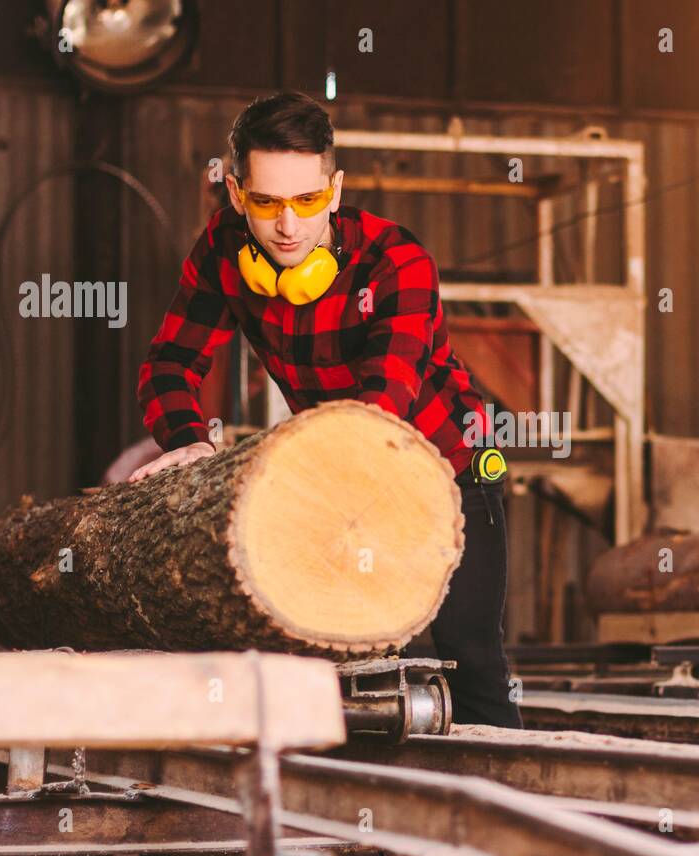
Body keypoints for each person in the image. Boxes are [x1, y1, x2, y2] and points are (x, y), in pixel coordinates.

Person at [129, 90, 522, 729]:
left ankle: (510, 816)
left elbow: (382, 409)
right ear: (236, 194)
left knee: (470, 660)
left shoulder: (396, 261)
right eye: (267, 202)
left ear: (335, 189)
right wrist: (190, 439)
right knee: (334, 669)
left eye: (307, 201)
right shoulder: (222, 252)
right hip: (334, 478)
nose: (288, 224)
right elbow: (170, 362)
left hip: (446, 474)